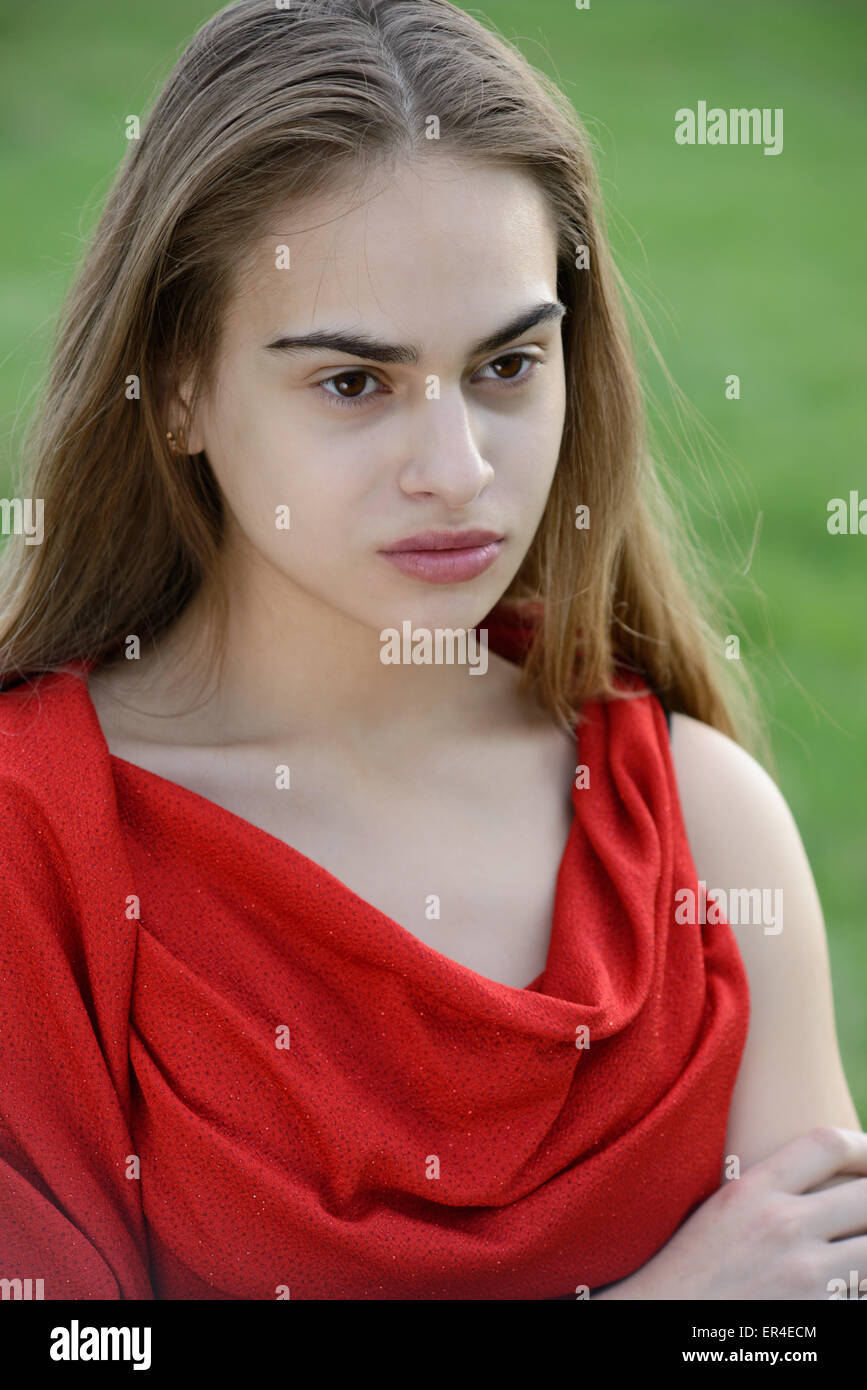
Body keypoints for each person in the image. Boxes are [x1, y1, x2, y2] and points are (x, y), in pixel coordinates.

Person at [0, 0, 863, 1301]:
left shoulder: (699, 821)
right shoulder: (38, 839)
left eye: (509, 364)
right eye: (355, 383)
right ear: (174, 385)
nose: (460, 472)